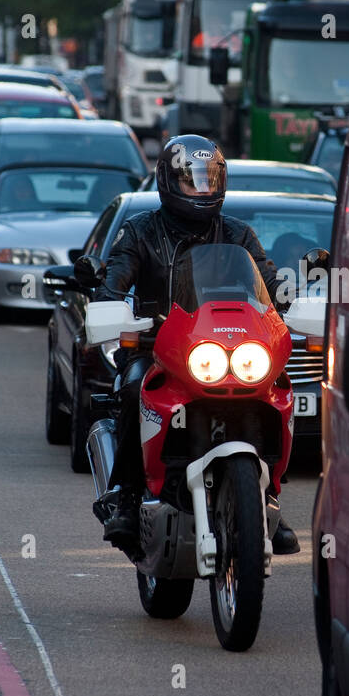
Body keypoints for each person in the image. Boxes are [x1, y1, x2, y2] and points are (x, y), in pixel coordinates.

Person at [97, 135, 299, 554]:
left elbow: (269, 280)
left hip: (226, 345)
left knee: (275, 387)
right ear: (170, 182)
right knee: (135, 388)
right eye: (193, 180)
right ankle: (130, 498)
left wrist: (292, 299)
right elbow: (115, 278)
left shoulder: (238, 234)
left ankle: (266, 497)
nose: (202, 189)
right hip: (157, 346)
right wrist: (109, 303)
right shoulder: (141, 231)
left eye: (209, 179)